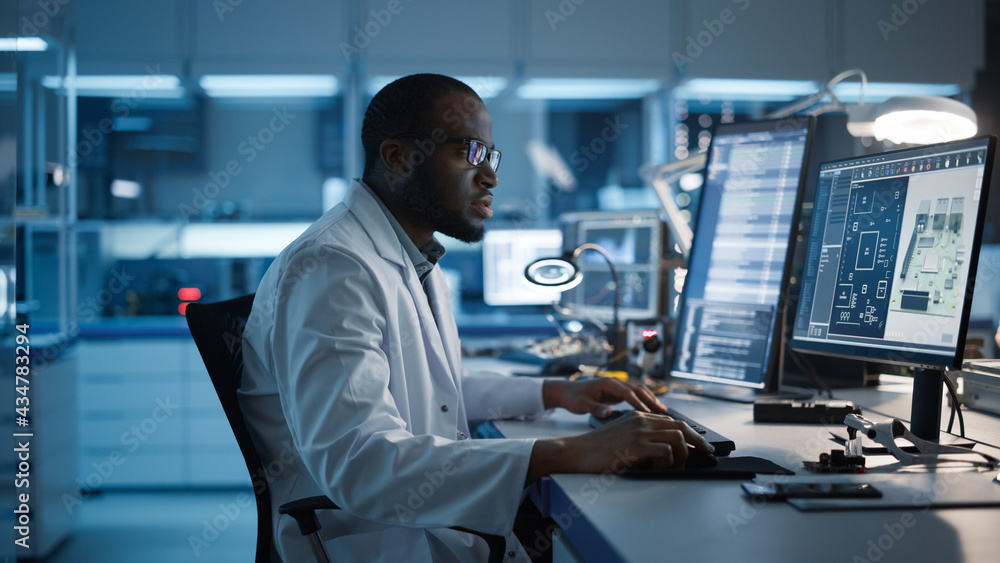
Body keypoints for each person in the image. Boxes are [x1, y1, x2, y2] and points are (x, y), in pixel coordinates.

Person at [239, 73, 713, 562]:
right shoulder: (332, 267)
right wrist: (573, 451)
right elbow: (361, 463)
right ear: (399, 157)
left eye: (491, 155)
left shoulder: (414, 256)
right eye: (470, 152)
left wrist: (555, 392)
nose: (490, 176)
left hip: (426, 522)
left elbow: (431, 389)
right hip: (380, 541)